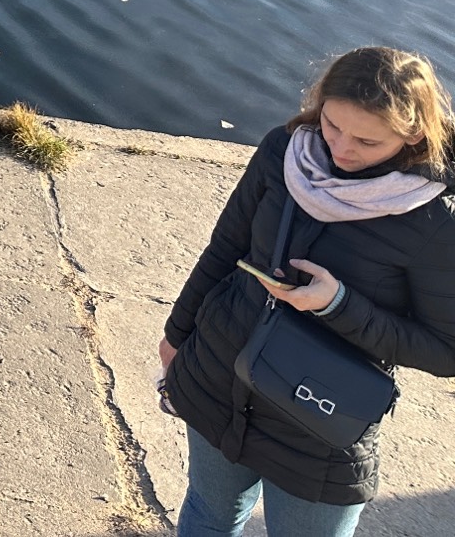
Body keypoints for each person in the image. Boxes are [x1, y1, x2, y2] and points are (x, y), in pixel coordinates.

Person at [160, 46, 455, 536]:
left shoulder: (434, 220)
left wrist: (339, 306)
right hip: (218, 375)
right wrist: (177, 335)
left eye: (367, 140)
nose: (341, 148)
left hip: (318, 424)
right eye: (333, 125)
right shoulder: (285, 148)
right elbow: (226, 248)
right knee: (208, 518)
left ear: (413, 134)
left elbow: (447, 351)